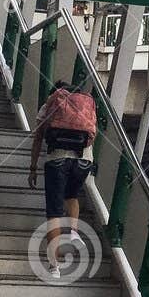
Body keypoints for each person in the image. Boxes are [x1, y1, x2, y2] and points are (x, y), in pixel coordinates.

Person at [28, 80, 96, 279]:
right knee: (72, 196)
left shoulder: (51, 102)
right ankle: (74, 231)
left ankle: (54, 266)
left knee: (54, 214)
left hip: (57, 160)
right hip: (84, 160)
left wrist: (33, 168)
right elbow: (93, 134)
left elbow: (39, 137)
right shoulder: (85, 103)